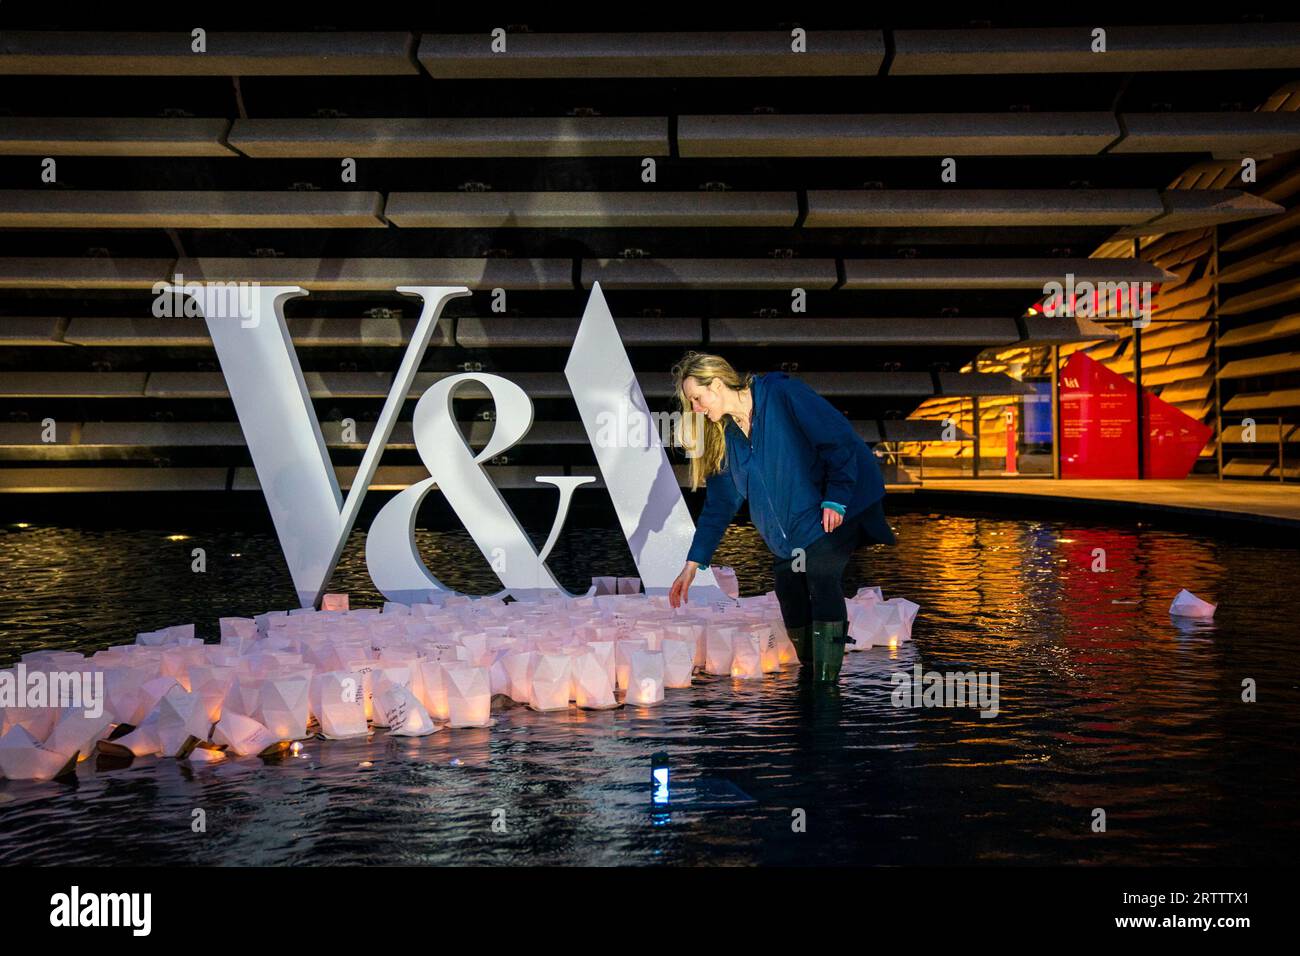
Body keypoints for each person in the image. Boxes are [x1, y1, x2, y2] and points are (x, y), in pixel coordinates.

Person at [668, 351, 896, 683]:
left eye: (697, 398)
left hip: (832, 509)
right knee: (789, 587)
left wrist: (837, 497)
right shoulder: (727, 437)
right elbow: (719, 505)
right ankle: (811, 674)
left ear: (716, 384)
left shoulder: (781, 394)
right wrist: (693, 563)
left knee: (820, 574)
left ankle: (826, 684)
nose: (697, 408)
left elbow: (838, 439)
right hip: (789, 532)